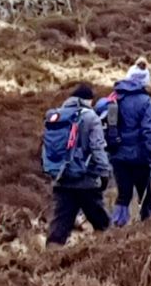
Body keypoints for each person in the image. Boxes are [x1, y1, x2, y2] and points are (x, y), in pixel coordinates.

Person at [42, 83, 112, 247]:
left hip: (62, 179)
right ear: (88, 100)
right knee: (102, 223)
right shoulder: (90, 117)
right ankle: (106, 257)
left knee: (59, 225)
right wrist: (104, 173)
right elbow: (97, 148)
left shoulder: (57, 115)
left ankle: (48, 261)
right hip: (86, 181)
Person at [97, 62, 151, 226]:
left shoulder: (115, 98)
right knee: (145, 196)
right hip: (140, 157)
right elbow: (148, 133)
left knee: (123, 195)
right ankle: (148, 230)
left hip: (118, 155)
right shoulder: (145, 101)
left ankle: (117, 228)